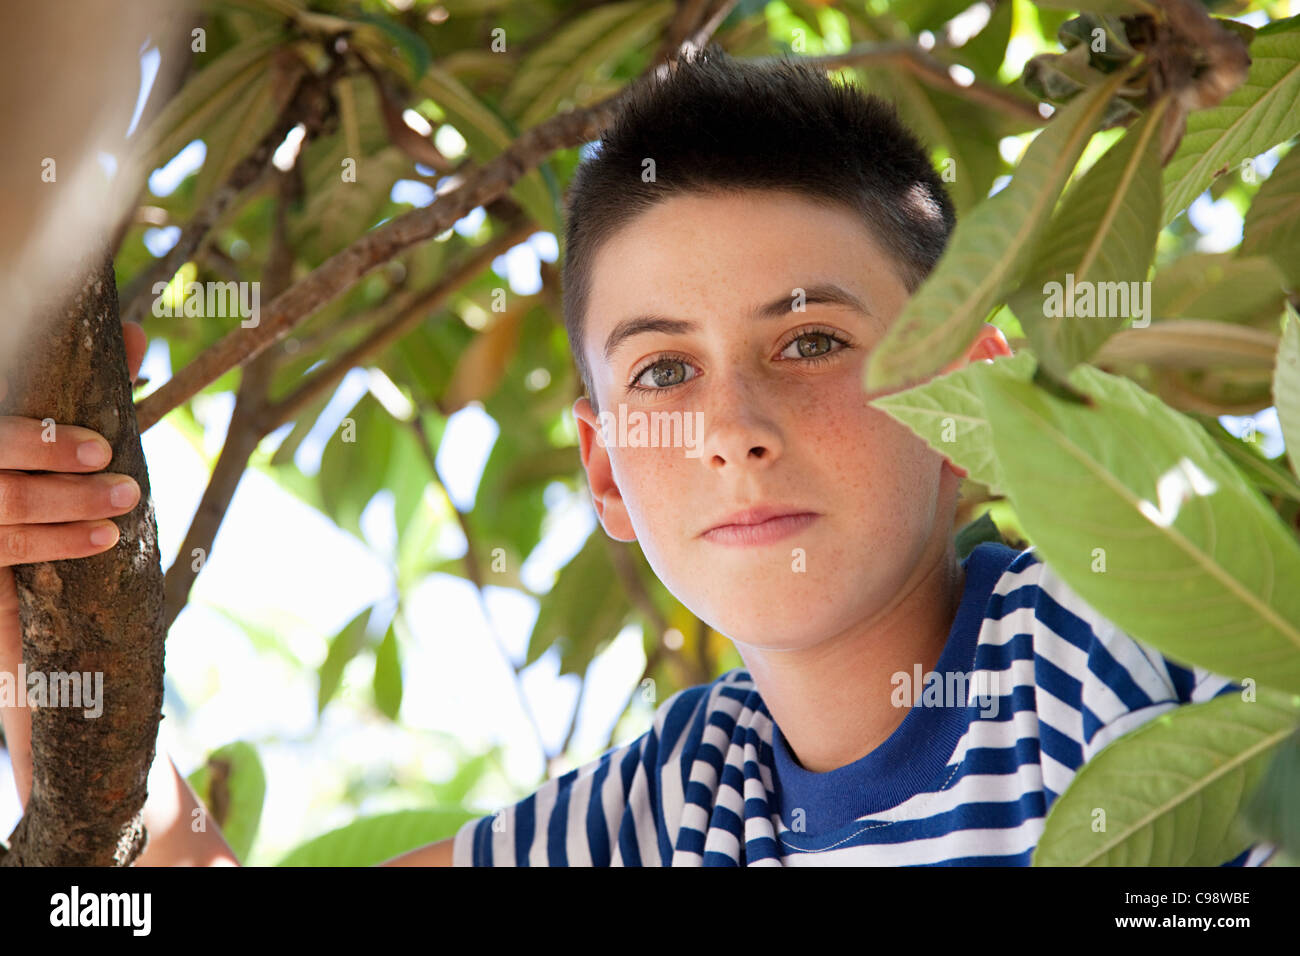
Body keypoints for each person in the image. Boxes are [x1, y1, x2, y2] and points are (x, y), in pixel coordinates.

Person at [0, 47, 1274, 867]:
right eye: (664, 368)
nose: (731, 426)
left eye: (812, 336)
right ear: (607, 473)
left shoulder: (1116, 640)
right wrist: (32, 623)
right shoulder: (672, 803)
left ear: (974, 392)